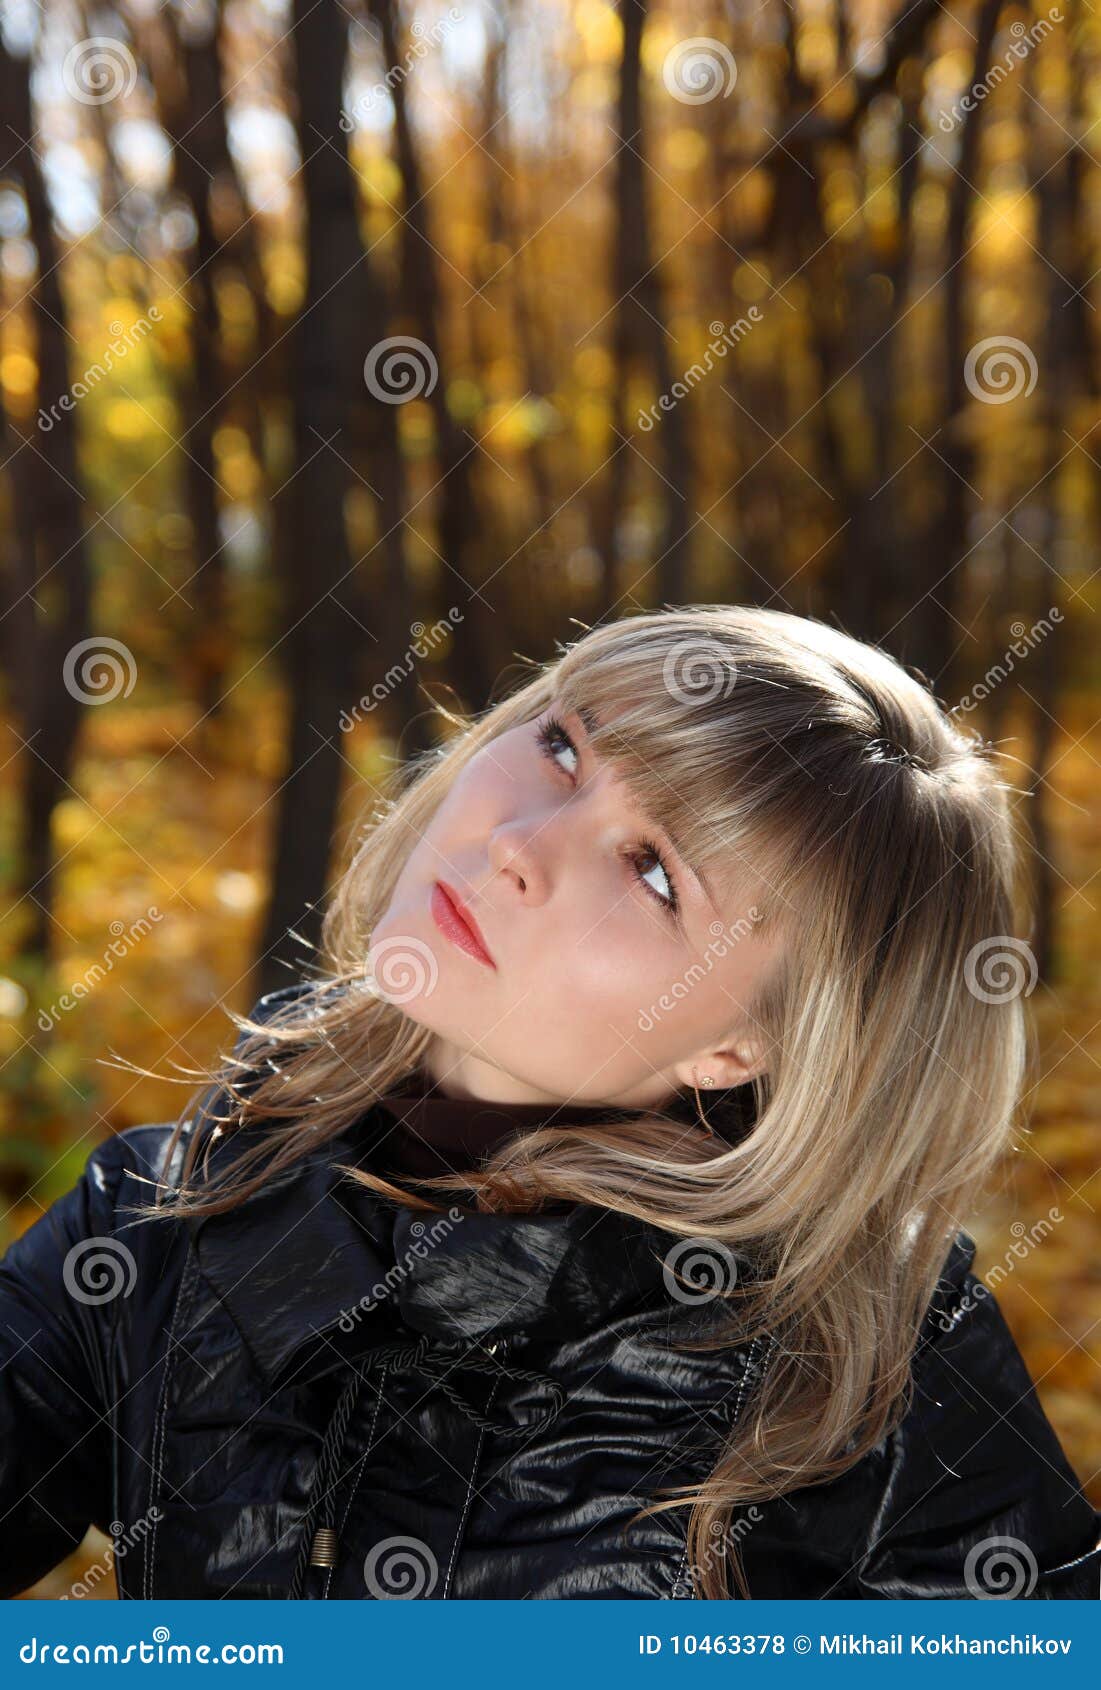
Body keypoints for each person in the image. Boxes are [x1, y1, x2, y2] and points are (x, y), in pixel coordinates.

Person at [1, 604, 1098, 1600]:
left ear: (743, 1045)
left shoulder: (869, 1358)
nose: (520, 843)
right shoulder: (165, 1219)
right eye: (565, 748)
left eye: (656, 872)